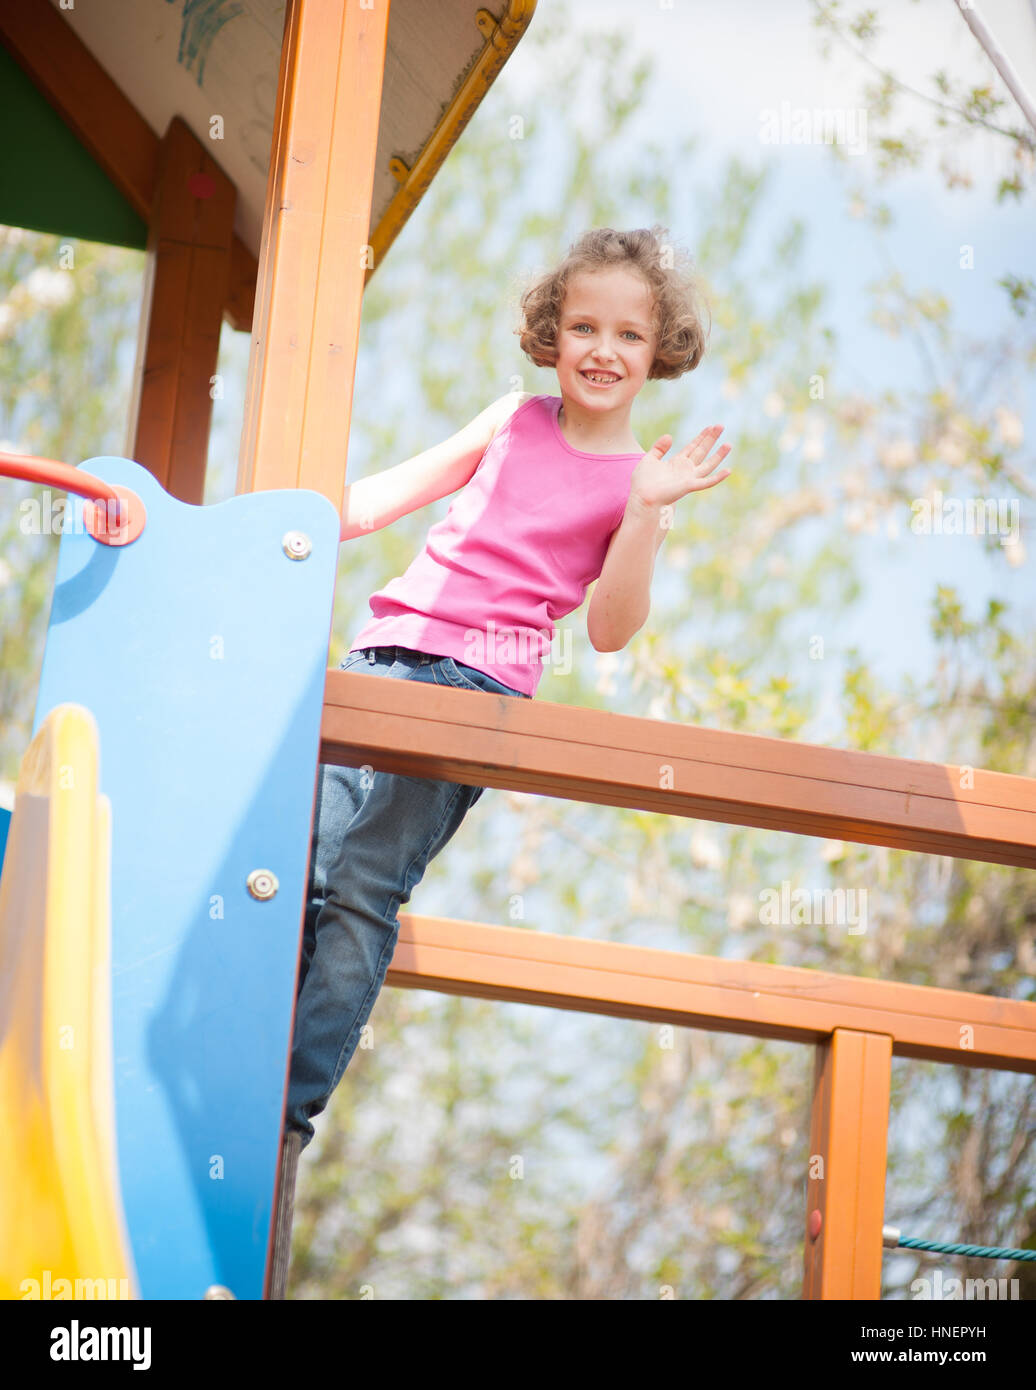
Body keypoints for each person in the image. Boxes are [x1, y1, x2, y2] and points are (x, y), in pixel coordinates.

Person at [283, 224, 731, 1156]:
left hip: (473, 684)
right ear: (550, 334)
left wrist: (648, 511)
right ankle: (247, 1048)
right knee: (296, 865)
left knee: (364, 885)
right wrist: (274, 526)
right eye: (583, 327)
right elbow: (375, 502)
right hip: (383, 654)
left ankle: (283, 1107)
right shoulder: (511, 420)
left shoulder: (631, 483)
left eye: (629, 336)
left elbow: (610, 627)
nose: (602, 351)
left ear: (661, 354)